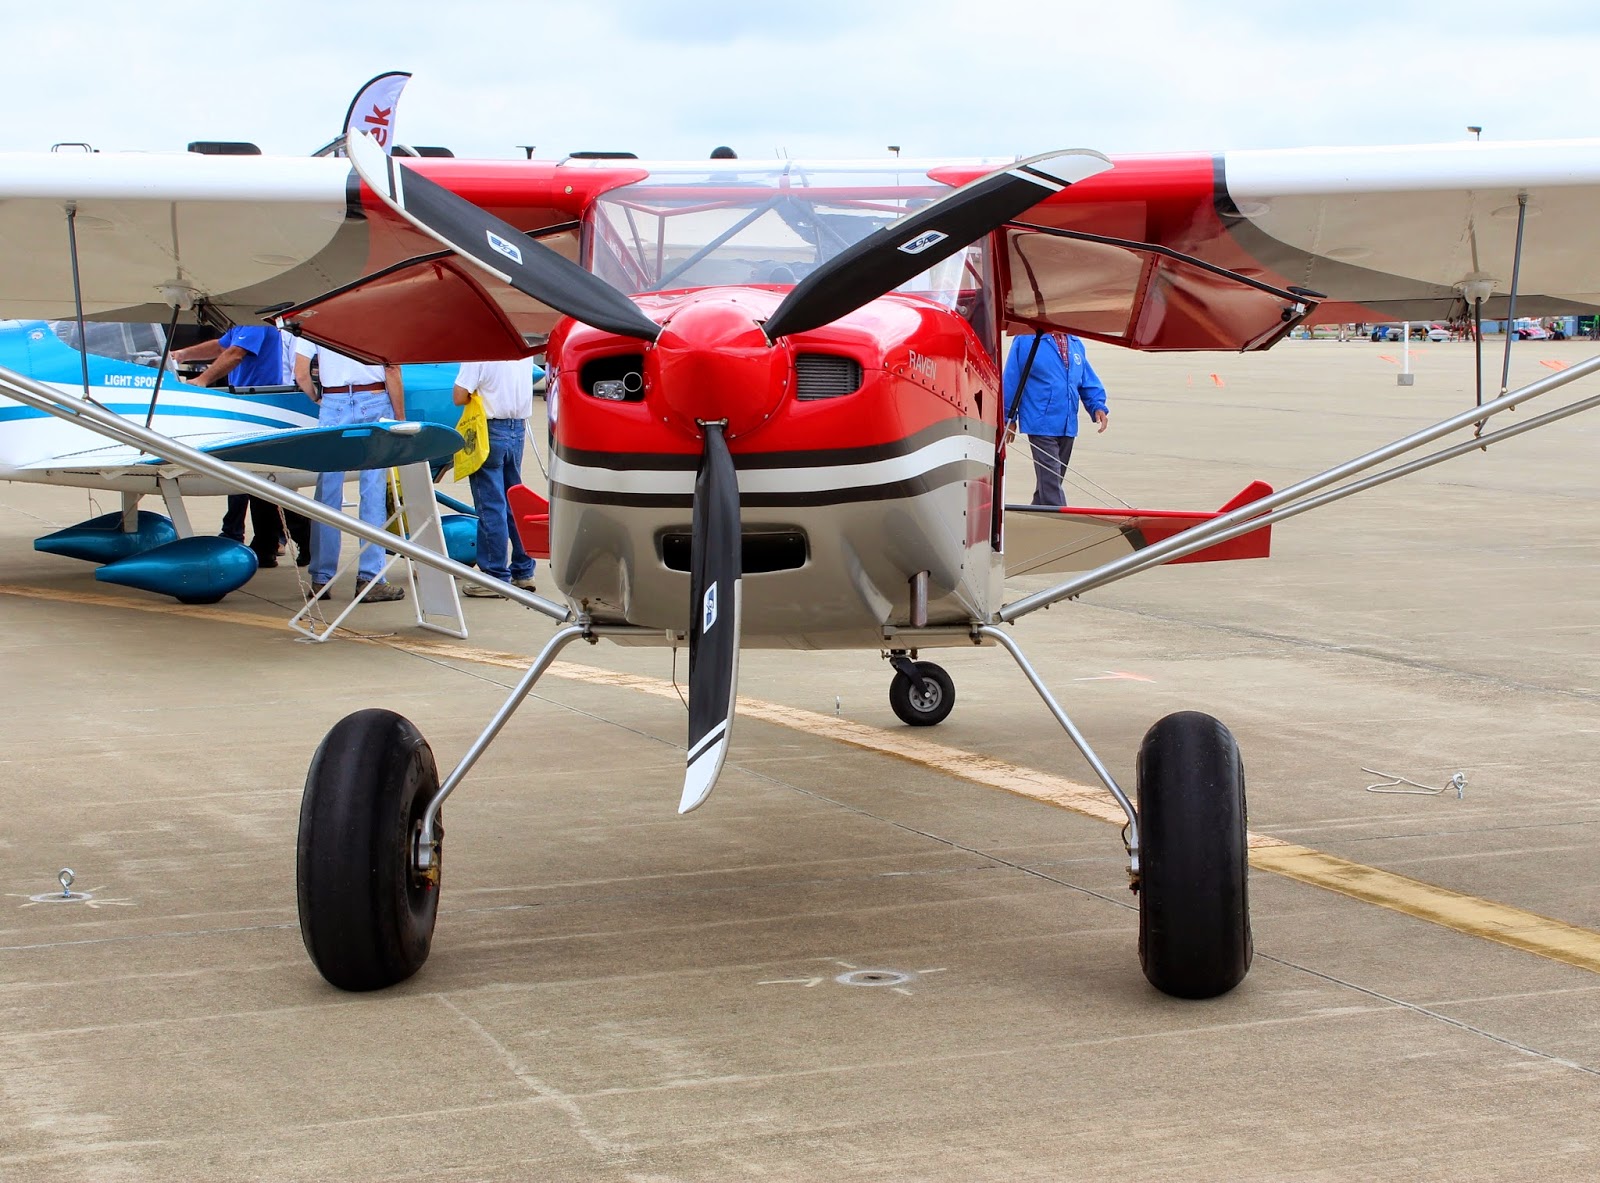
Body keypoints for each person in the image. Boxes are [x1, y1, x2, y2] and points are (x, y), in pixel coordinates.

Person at [171, 325, 309, 568]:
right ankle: (265, 544)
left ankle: (303, 536)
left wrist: (202, 380)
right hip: (244, 403)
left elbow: (235, 353)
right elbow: (222, 345)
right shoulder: (241, 323)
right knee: (253, 479)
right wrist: (182, 355)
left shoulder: (254, 322)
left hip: (259, 404)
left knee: (259, 479)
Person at [293, 339, 406, 603]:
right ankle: (370, 578)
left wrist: (317, 397)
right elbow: (391, 370)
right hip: (374, 398)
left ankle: (321, 579)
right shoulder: (379, 318)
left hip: (334, 401)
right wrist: (400, 417)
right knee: (372, 493)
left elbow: (300, 373)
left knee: (327, 494)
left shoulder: (310, 318)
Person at [452, 358, 543, 597]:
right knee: (514, 501)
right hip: (517, 429)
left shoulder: (479, 352)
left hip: (489, 429)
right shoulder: (522, 353)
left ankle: (494, 576)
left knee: (491, 504)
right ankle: (523, 570)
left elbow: (459, 396)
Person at [1001, 331, 1109, 507]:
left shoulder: (1075, 342)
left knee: (1051, 482)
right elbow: (1012, 378)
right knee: (1051, 483)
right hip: (1039, 422)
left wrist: (1097, 406)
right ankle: (1063, 525)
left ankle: (1036, 518)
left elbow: (1086, 379)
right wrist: (1008, 417)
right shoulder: (1027, 340)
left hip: (1067, 424)